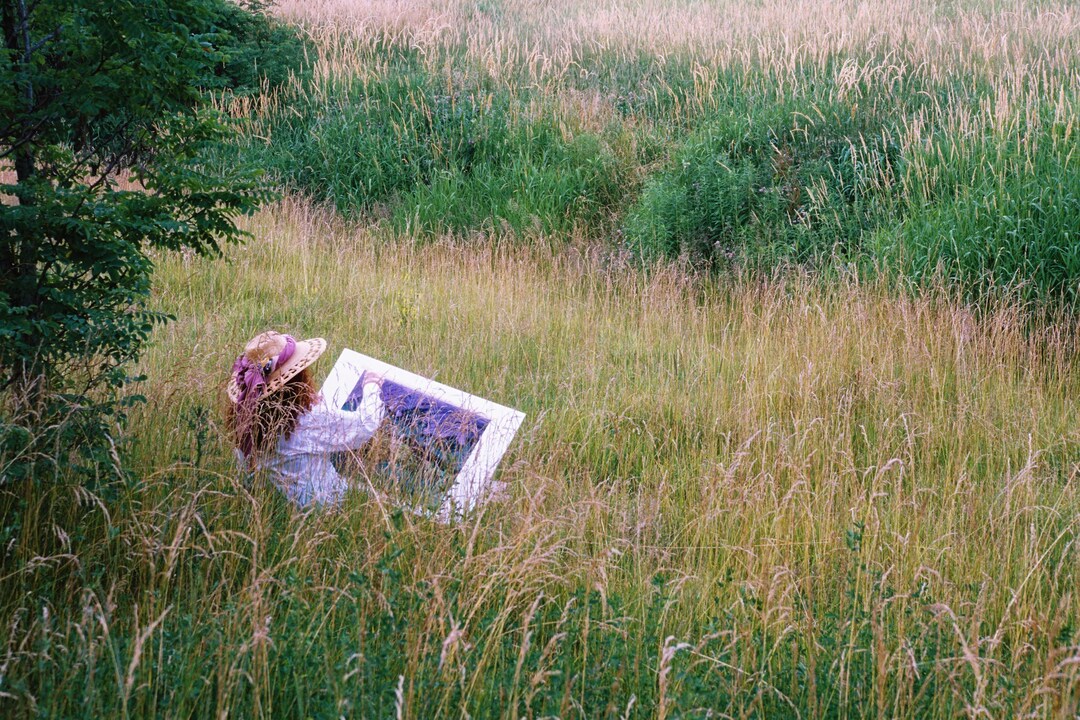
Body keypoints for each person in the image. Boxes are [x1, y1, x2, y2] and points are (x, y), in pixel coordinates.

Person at [225, 330, 384, 507]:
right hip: (321, 508)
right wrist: (372, 385)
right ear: (297, 377)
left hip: (278, 506)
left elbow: (247, 474)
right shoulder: (306, 419)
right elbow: (364, 426)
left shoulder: (245, 419)